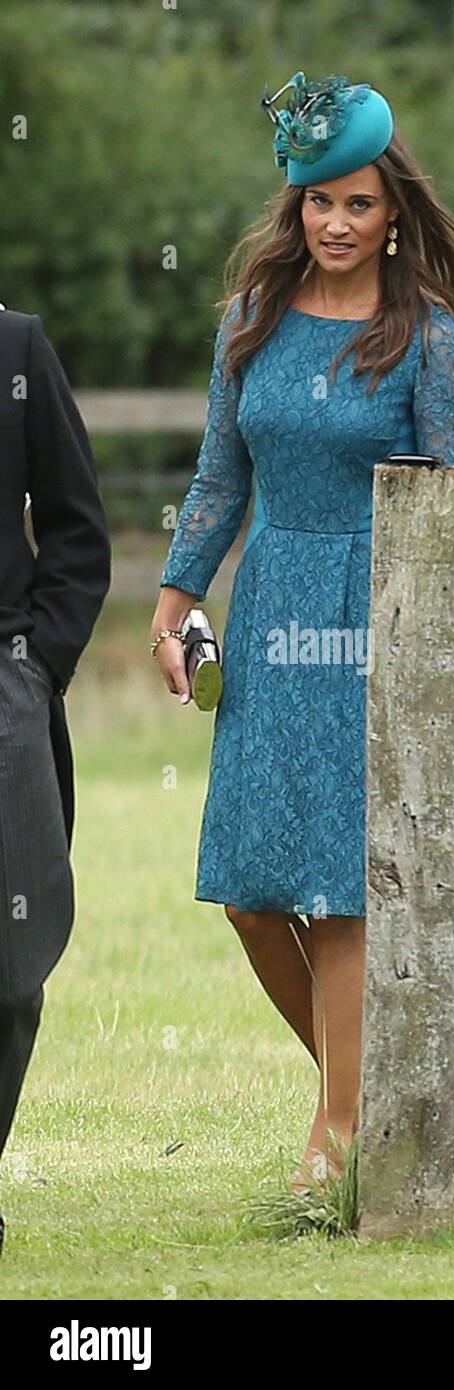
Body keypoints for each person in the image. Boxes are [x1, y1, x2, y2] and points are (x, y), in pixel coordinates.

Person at [150, 71, 454, 1190]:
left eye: (360, 204)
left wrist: (412, 648)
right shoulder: (247, 322)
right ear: (294, 207)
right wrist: (175, 600)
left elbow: (443, 507)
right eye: (318, 203)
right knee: (250, 895)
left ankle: (335, 1135)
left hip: (371, 618)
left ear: (396, 216)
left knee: (340, 889)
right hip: (272, 594)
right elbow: (216, 477)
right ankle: (378, 1096)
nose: (335, 224)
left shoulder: (429, 340)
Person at [0, 305, 111, 1254]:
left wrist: (35, 667)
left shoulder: (16, 347)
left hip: (3, 679)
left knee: (10, 964)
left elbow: (77, 530)